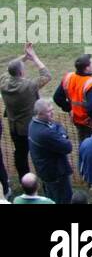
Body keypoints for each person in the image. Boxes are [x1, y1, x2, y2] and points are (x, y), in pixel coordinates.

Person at [1, 45, 52, 180]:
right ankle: (42, 177)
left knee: (20, 154)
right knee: (38, 152)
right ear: (22, 73)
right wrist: (34, 57)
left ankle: (24, 178)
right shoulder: (28, 86)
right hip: (29, 127)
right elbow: (46, 75)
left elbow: (9, 69)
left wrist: (24, 57)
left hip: (14, 127)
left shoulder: (3, 82)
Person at [28, 99, 74, 203]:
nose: (52, 113)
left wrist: (60, 134)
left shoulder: (33, 123)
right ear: (40, 114)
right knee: (63, 199)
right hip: (55, 173)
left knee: (51, 196)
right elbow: (68, 147)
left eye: (52, 109)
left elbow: (57, 125)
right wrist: (62, 135)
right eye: (49, 111)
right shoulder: (45, 133)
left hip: (45, 171)